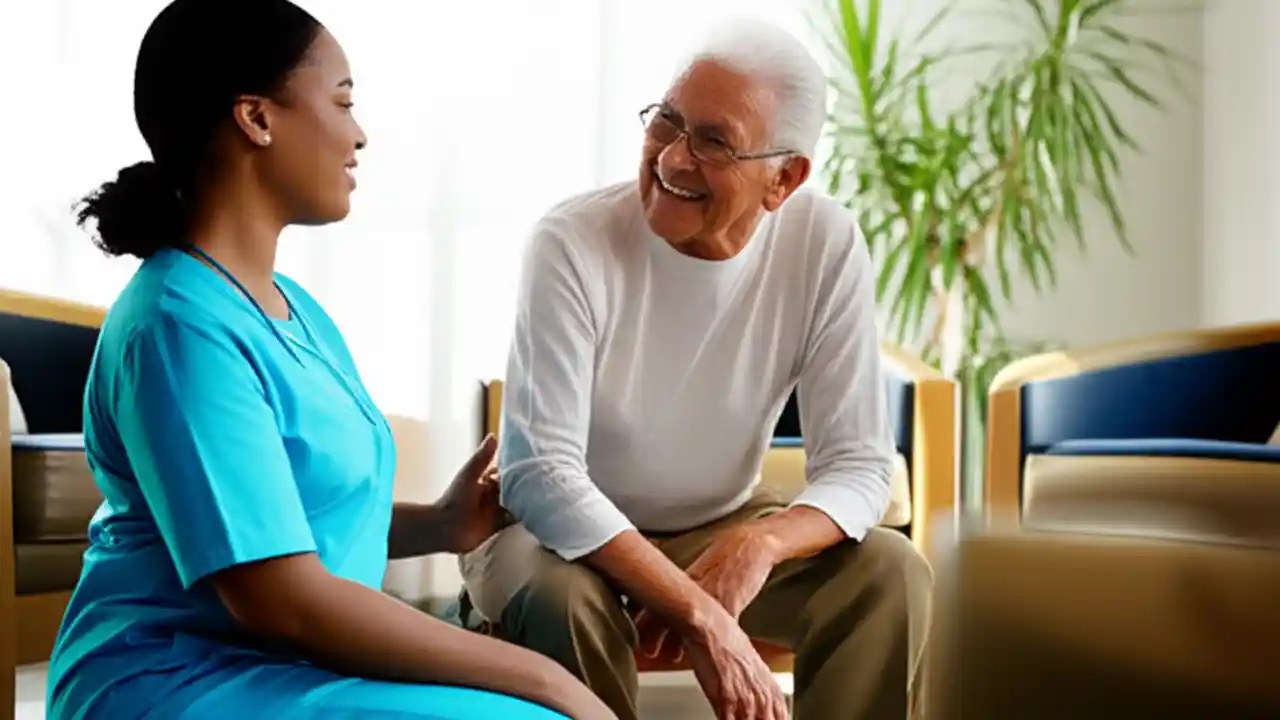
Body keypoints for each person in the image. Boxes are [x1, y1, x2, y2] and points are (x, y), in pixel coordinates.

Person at [46, 1, 614, 718]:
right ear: (256, 117)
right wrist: (544, 676)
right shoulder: (176, 329)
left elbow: (281, 524)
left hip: (291, 663)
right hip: (178, 679)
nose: (359, 134)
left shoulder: (293, 308)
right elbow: (280, 597)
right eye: (342, 101)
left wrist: (439, 526)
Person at [460, 19, 934, 720]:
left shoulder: (824, 242)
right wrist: (696, 612)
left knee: (890, 574)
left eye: (714, 141)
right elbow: (542, 477)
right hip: (552, 542)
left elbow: (862, 466)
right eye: (668, 123)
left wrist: (759, 542)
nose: (673, 160)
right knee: (561, 599)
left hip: (715, 523)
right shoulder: (572, 241)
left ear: (786, 178)